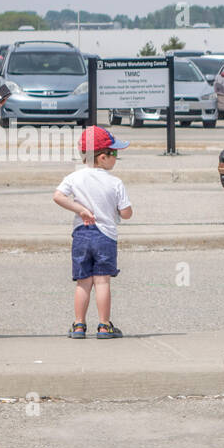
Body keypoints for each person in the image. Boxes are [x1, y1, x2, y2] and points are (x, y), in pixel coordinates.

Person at [53, 126, 134, 339]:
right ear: (103, 157)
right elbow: (126, 213)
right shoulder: (115, 182)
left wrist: (80, 209)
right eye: (114, 154)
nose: (116, 158)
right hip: (105, 236)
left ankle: (79, 325)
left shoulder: (75, 177)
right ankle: (104, 325)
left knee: (83, 282)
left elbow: (58, 196)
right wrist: (121, 210)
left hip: (81, 234)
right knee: (102, 282)